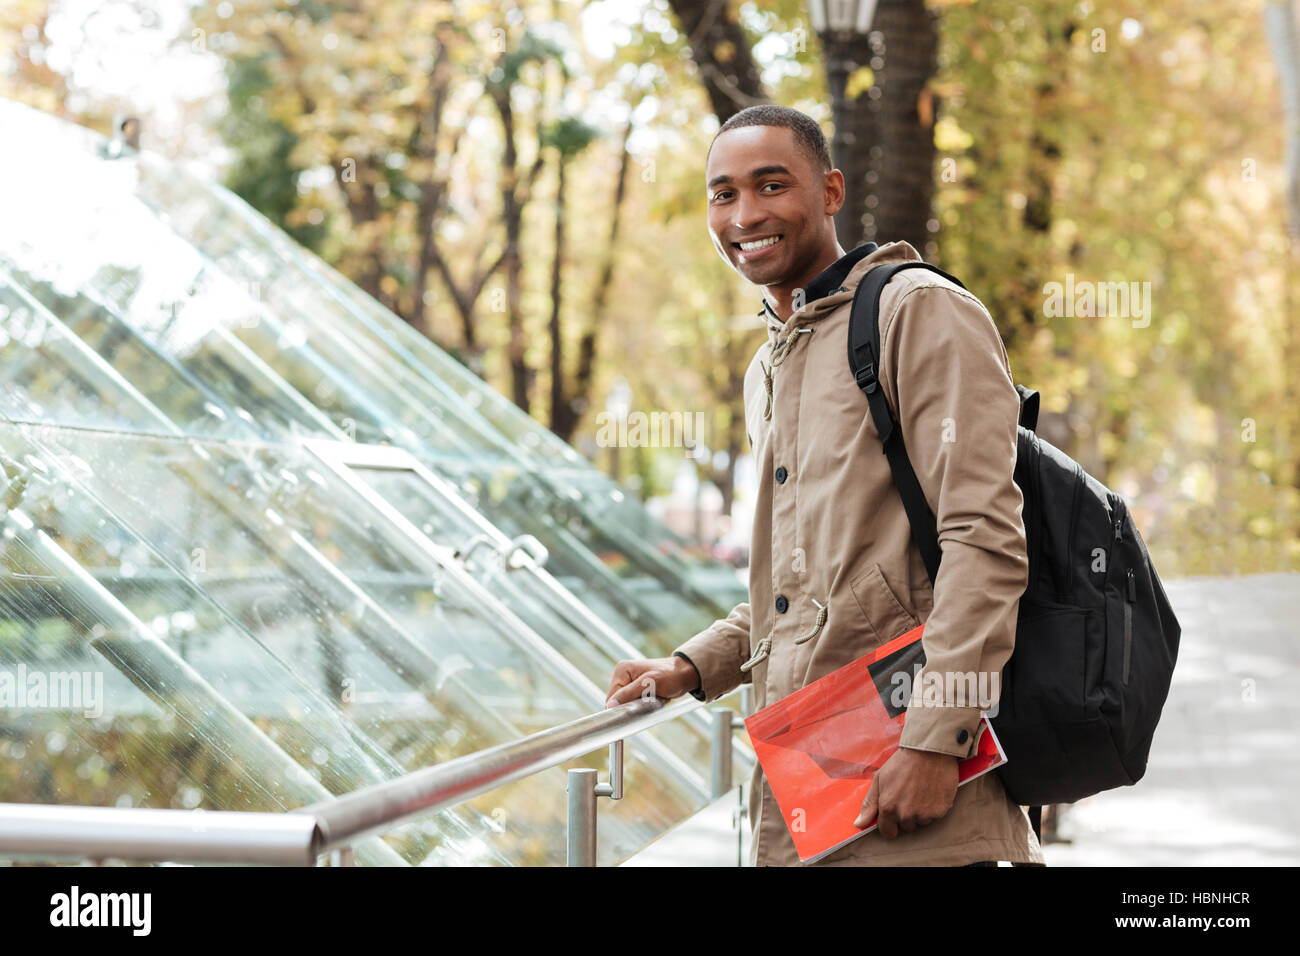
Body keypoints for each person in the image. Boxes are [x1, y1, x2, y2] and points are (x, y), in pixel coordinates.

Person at [605, 104, 1044, 867]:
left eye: (771, 186)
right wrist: (689, 667)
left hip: (916, 801)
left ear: (831, 191)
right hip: (816, 790)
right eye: (724, 194)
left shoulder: (918, 311)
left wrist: (937, 742)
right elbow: (805, 589)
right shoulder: (769, 365)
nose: (746, 215)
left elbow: (986, 542)